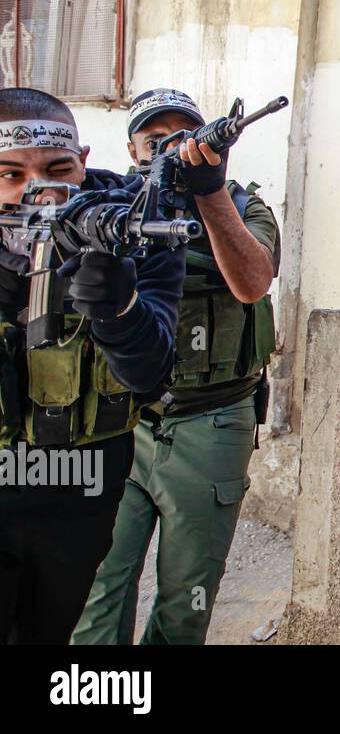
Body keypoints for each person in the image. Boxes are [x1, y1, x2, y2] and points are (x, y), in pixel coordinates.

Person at [73, 88, 279, 645]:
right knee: (97, 594)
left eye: (181, 137)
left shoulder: (240, 204)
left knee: (186, 603)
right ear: (133, 151)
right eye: (154, 140)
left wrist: (207, 192)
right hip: (118, 423)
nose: (169, 147)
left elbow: (252, 282)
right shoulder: (110, 207)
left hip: (211, 421)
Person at [0, 86, 184, 644]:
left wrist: (119, 309)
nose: (40, 193)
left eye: (58, 168)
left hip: (80, 481)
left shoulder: (130, 226)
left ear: (83, 161)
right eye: (11, 174)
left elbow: (150, 371)